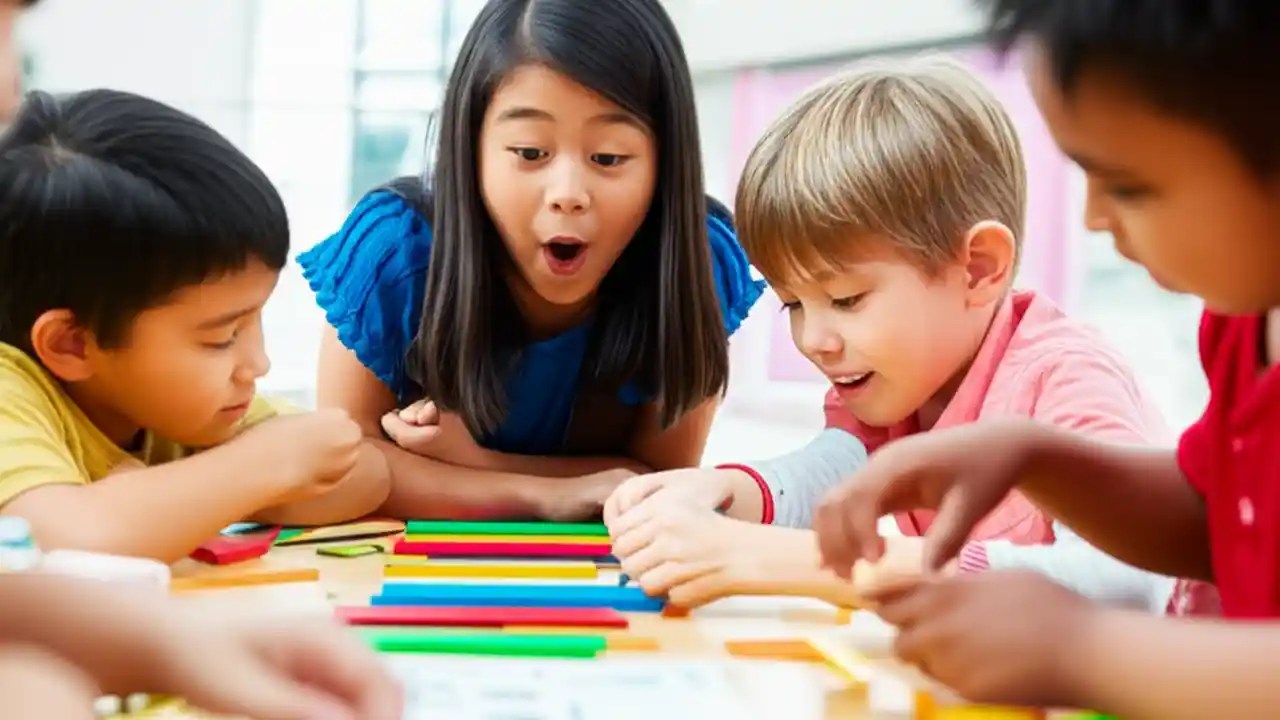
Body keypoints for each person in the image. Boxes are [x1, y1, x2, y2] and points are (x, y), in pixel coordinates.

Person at [811, 1, 1280, 716]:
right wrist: (1035, 457)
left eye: (1128, 186)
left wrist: (1085, 650)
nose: (1094, 218)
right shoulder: (1244, 320)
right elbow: (1216, 519)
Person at [604, 57, 1186, 615]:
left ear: (978, 268)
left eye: (846, 299)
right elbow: (823, 477)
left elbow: (1128, 582)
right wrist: (716, 490)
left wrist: (789, 561)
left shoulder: (1067, 377)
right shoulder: (901, 385)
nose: (813, 339)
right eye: (793, 305)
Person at [300, 0, 762, 522]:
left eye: (608, 157)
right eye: (529, 152)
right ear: (471, 145)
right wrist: (546, 494)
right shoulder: (395, 248)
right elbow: (340, 463)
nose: (568, 194)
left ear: (665, 161)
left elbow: (656, 482)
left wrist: (472, 462)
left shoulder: (696, 259)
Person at [0, 87, 391, 563]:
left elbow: (367, 475)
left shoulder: (181, 406)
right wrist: (260, 467)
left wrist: (175, 498)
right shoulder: (9, 394)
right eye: (222, 337)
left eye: (255, 321)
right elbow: (56, 545)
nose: (258, 363)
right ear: (72, 344)